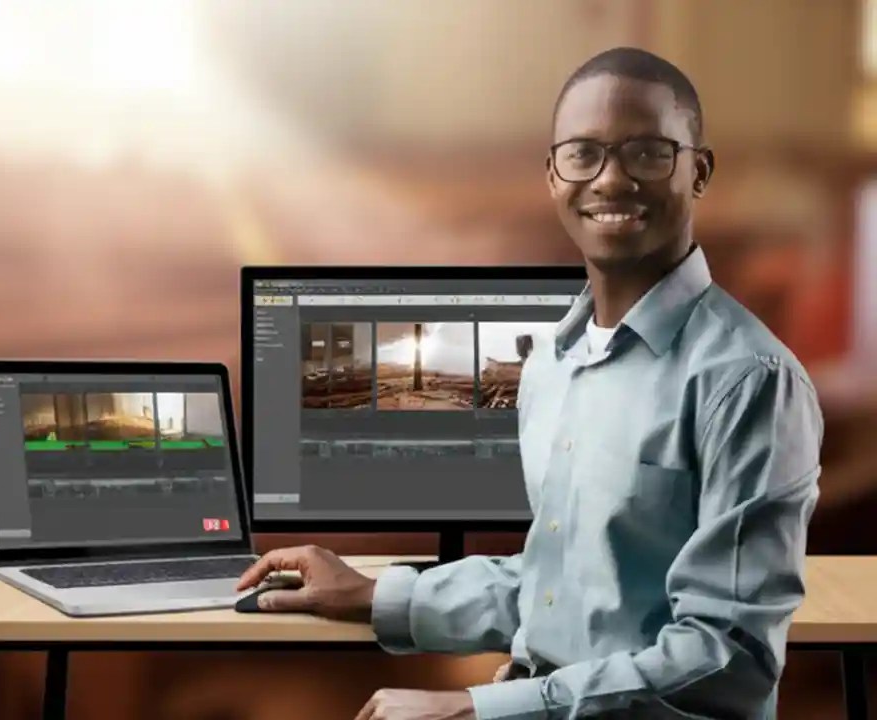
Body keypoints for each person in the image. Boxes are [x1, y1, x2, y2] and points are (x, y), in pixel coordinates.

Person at [236, 47, 822, 720]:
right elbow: (563, 587)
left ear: (700, 172)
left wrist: (474, 708)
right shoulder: (551, 364)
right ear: (552, 175)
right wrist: (372, 593)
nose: (611, 179)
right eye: (583, 154)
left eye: (648, 153)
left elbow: (726, 660)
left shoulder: (748, 380)